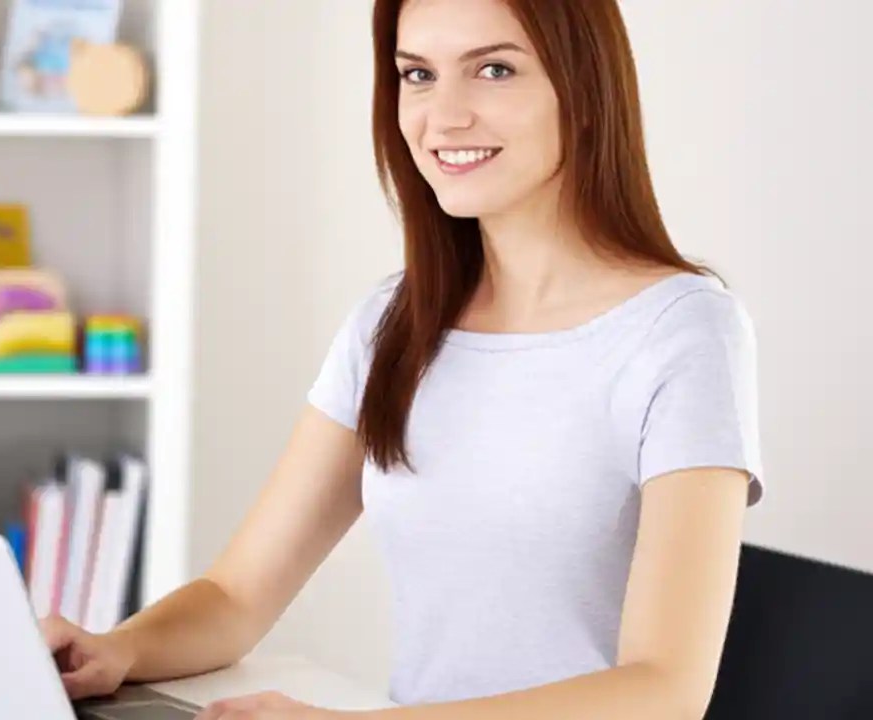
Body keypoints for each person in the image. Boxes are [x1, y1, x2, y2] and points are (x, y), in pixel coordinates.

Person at [41, 0, 764, 717]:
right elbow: (237, 596)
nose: (443, 115)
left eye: (493, 69)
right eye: (417, 75)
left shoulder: (682, 331)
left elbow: (664, 691)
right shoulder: (394, 325)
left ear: (583, 91)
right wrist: (120, 650)